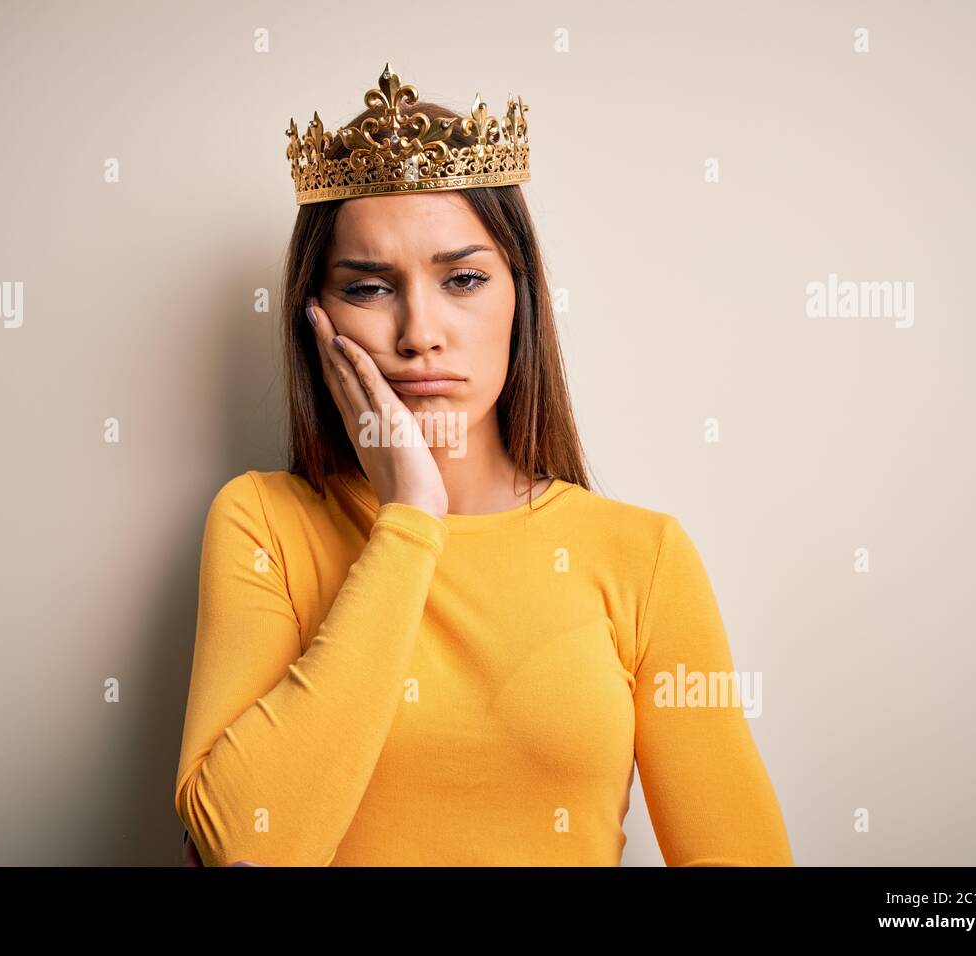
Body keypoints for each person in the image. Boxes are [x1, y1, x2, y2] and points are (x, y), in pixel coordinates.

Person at [173, 63, 794, 867]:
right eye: (369, 288)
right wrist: (408, 519)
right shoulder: (263, 524)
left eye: (462, 279)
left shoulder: (643, 558)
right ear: (317, 319)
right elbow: (242, 846)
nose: (419, 331)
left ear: (520, 298)